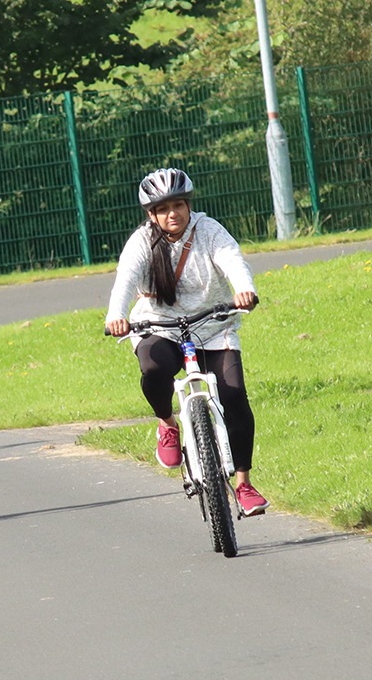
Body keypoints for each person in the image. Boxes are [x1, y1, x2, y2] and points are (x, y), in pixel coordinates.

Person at [105, 168, 269, 515]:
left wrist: (244, 289)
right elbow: (126, 279)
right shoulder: (141, 242)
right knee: (153, 369)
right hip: (159, 327)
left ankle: (244, 484)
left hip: (212, 325)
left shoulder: (208, 230)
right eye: (163, 208)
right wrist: (116, 315)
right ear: (151, 214)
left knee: (234, 395)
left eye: (178, 205)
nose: (173, 213)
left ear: (188, 205)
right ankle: (167, 423)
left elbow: (232, 258)